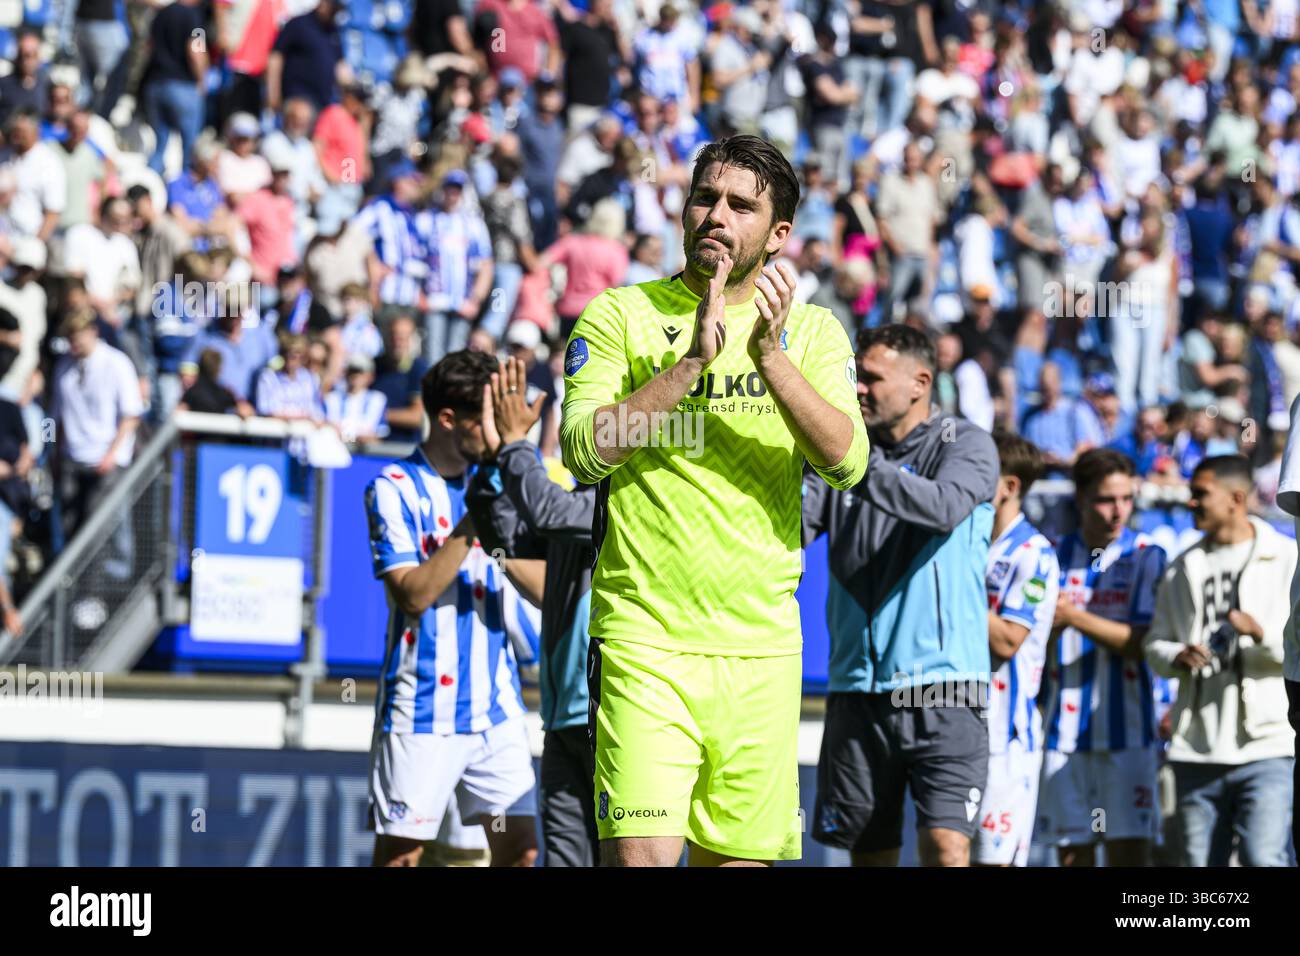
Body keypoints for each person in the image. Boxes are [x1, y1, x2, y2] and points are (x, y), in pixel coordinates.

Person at [560, 134, 869, 866]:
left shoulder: (815, 333)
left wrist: (768, 356)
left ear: (779, 233)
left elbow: (847, 463)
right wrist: (692, 362)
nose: (717, 217)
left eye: (740, 205)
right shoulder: (620, 316)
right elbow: (582, 452)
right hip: (644, 640)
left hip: (760, 651)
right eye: (705, 198)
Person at [803, 323, 998, 867]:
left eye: (871, 378)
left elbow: (941, 507)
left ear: (920, 382)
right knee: (870, 855)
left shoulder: (969, 444)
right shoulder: (840, 455)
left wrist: (848, 458)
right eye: (854, 378)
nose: (858, 390)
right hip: (856, 689)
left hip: (944, 687)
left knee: (946, 846)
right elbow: (792, 527)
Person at [363, 349, 541, 867]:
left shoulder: (503, 482)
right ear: (447, 419)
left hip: (495, 704)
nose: (492, 432)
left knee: (521, 851)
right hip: (421, 707)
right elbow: (413, 594)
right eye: (483, 419)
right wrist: (475, 520)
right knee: (402, 857)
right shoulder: (392, 488)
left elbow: (540, 587)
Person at [468, 355, 599, 865]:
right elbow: (513, 544)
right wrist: (492, 460)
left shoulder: (628, 497)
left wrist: (515, 448)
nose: (573, 425)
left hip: (612, 718)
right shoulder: (578, 498)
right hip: (562, 718)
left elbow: (544, 509)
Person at [1144, 455, 1296, 866]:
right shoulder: (1183, 565)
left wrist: (1261, 634)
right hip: (1197, 747)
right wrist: (1176, 655)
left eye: (1200, 494)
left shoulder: (1287, 558)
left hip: (1267, 744)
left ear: (1236, 498)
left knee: (1263, 858)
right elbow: (1154, 645)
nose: (1190, 502)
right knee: (1197, 863)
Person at [1038, 448, 1169, 867]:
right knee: (1073, 855)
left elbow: (1142, 641)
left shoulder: (1147, 555)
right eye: (1106, 500)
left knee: (1129, 855)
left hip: (1129, 736)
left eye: (1127, 499)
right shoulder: (1050, 556)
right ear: (1079, 499)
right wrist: (1045, 628)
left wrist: (1073, 616)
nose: (1118, 511)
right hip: (1062, 734)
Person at [973, 432, 1060, 866]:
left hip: (1006, 736)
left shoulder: (1034, 552)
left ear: (1008, 486)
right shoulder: (970, 542)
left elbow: (1008, 638)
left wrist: (956, 582)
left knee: (994, 861)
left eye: (979, 473)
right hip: (959, 726)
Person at [50, 308, 143, 578]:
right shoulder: (64, 366)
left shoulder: (116, 363)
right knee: (69, 526)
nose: (73, 344)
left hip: (106, 461)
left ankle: (101, 589)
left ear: (93, 332)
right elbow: (52, 418)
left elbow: (131, 415)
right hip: (71, 458)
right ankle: (72, 586)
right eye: (69, 338)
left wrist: (111, 456)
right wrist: (50, 451)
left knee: (100, 530)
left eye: (77, 336)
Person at [141, 0, 209, 176]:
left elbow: (148, 47)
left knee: (159, 145)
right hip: (182, 87)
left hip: (155, 85)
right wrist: (202, 80)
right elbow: (196, 51)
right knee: (190, 149)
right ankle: (183, 191)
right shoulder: (194, 17)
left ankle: (151, 186)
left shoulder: (161, 14)